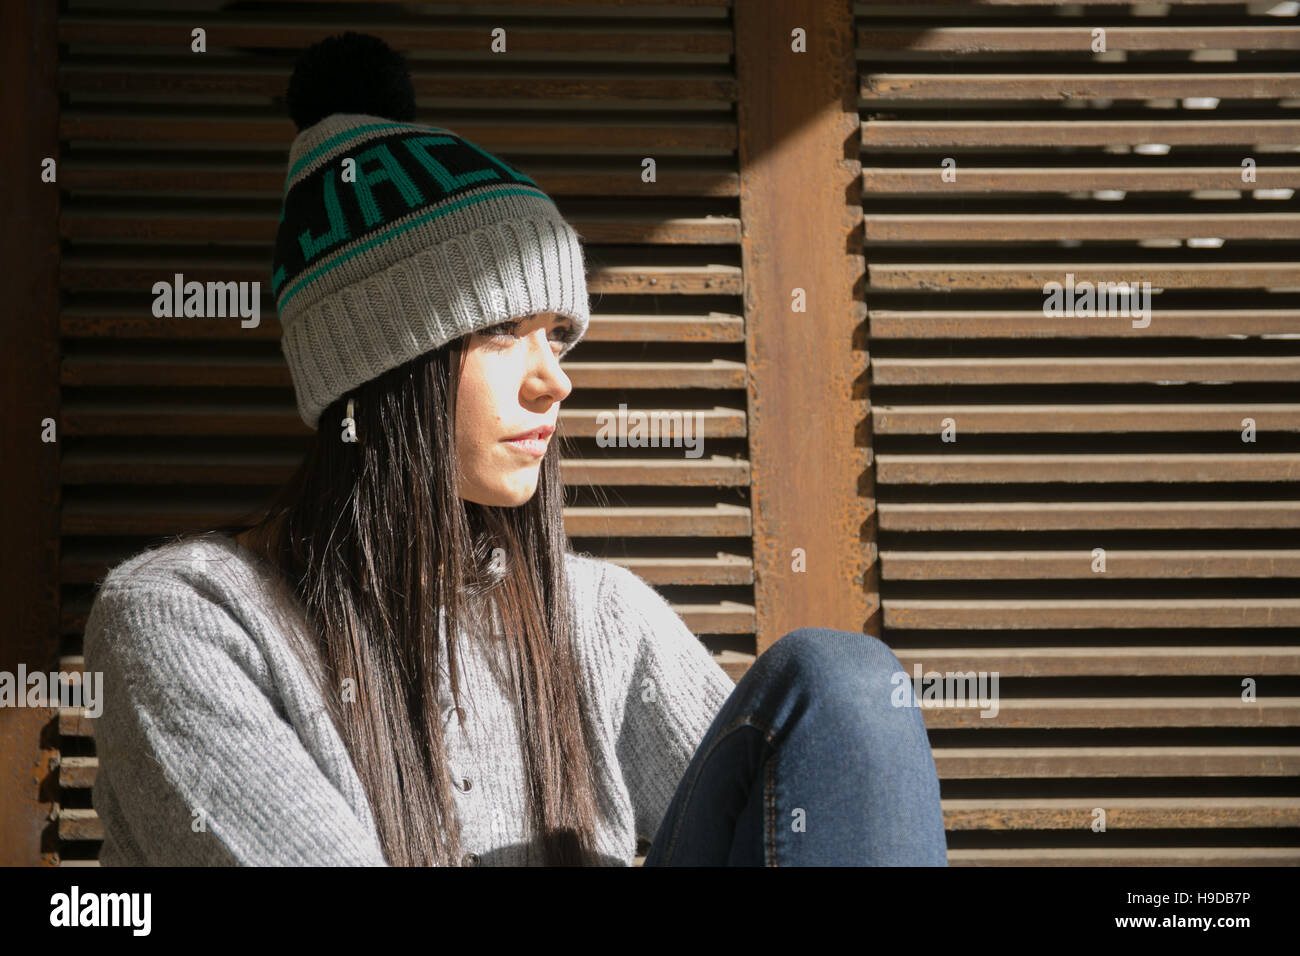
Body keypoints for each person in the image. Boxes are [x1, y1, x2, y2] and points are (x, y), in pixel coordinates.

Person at [82, 32, 947, 867]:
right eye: (501, 331)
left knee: (845, 687)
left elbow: (793, 824)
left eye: (557, 337)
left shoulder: (595, 617)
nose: (554, 382)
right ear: (380, 370)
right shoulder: (188, 620)